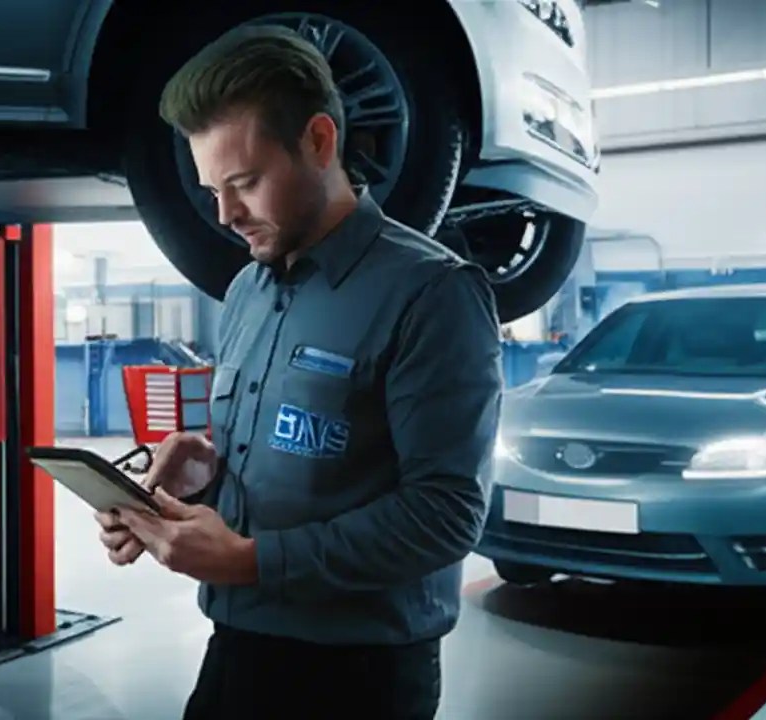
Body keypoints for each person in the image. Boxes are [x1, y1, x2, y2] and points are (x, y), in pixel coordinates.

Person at [94, 24, 503, 720]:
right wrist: (206, 475)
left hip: (360, 678)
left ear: (319, 140)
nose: (224, 214)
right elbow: (300, 458)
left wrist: (253, 561)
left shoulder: (432, 294)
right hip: (236, 647)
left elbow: (446, 513)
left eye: (245, 182)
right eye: (211, 188)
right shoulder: (249, 291)